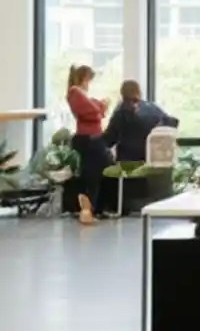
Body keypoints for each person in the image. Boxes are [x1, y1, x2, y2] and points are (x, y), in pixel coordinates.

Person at [65, 65, 114, 225]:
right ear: (83, 78)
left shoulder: (81, 94)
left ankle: (95, 207)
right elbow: (93, 112)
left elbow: (95, 109)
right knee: (93, 173)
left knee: (98, 171)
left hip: (92, 137)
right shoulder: (75, 92)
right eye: (88, 80)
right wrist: (100, 108)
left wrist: (99, 107)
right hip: (88, 139)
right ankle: (88, 208)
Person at [102, 80, 179, 163]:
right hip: (151, 160)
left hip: (129, 164)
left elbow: (109, 140)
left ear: (122, 93)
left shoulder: (122, 111)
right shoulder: (152, 107)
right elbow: (172, 122)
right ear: (139, 92)